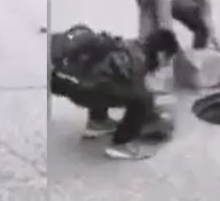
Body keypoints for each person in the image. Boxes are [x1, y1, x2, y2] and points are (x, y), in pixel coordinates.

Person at [50, 24, 180, 160]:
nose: (167, 65)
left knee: (109, 80)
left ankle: (98, 122)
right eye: (168, 59)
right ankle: (121, 145)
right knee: (141, 98)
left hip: (62, 79)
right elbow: (142, 103)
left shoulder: (131, 45)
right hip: (79, 88)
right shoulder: (138, 61)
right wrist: (160, 121)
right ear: (161, 54)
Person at [125, 0, 220, 87]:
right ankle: (141, 82)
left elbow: (209, 27)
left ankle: (194, 69)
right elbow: (165, 26)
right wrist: (181, 57)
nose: (201, 0)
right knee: (153, 42)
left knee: (202, 28)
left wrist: (217, 53)